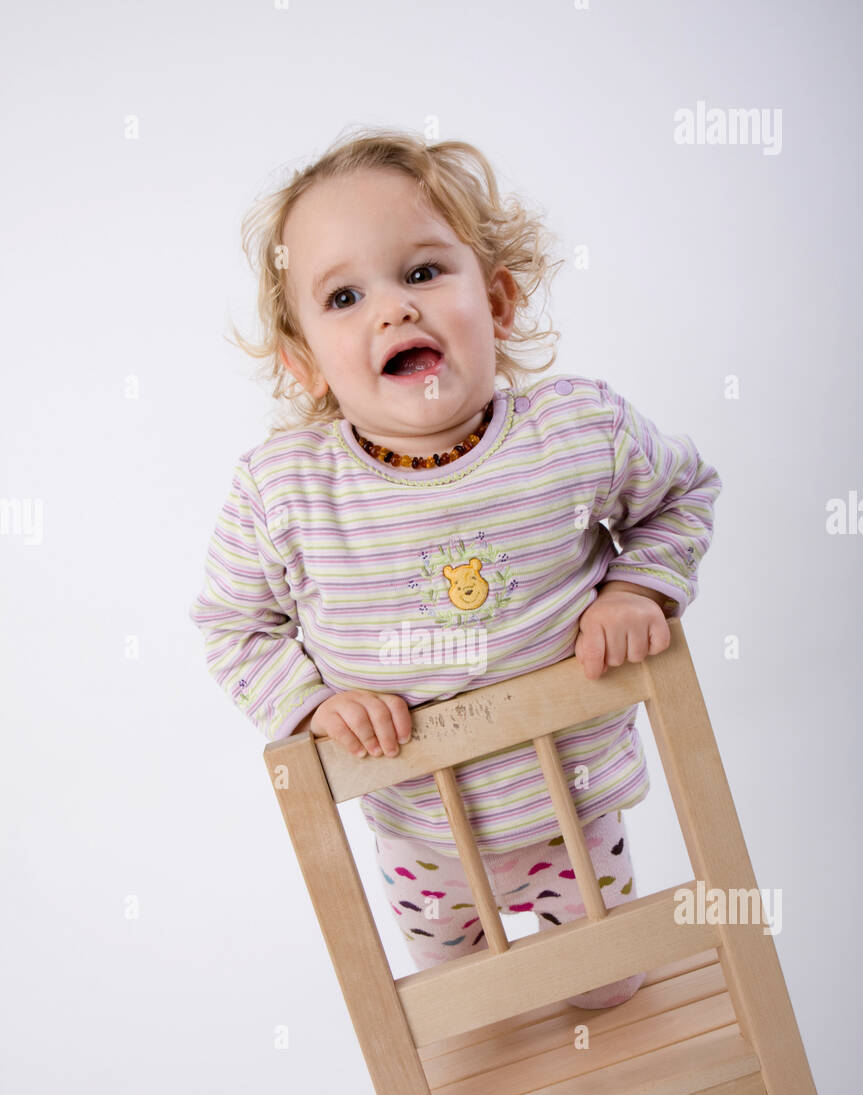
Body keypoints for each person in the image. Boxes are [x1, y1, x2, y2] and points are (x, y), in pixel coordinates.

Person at [189, 126, 722, 1008]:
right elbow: (232, 625)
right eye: (346, 296)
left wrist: (639, 586)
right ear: (305, 364)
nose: (393, 309)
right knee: (469, 1013)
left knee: (613, 995)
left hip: (576, 814)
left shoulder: (576, 432)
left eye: (424, 273)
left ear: (499, 301)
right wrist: (314, 703)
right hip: (420, 837)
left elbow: (685, 491)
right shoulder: (284, 495)